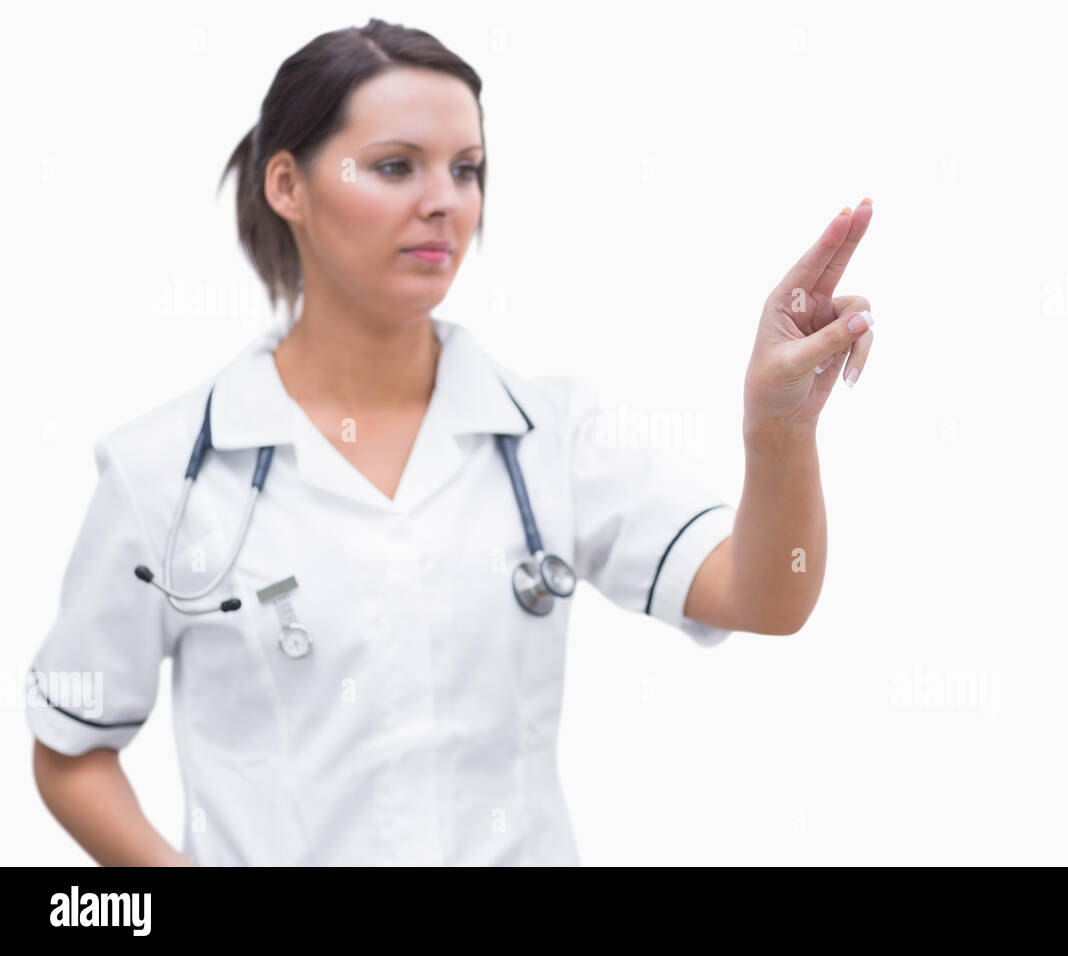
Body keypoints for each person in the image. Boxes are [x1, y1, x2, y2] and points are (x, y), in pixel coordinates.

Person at [25, 17, 876, 866]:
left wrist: (778, 432)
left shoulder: (551, 435)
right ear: (287, 185)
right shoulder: (164, 471)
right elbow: (71, 750)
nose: (445, 200)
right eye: (397, 166)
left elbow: (770, 599)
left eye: (467, 170)